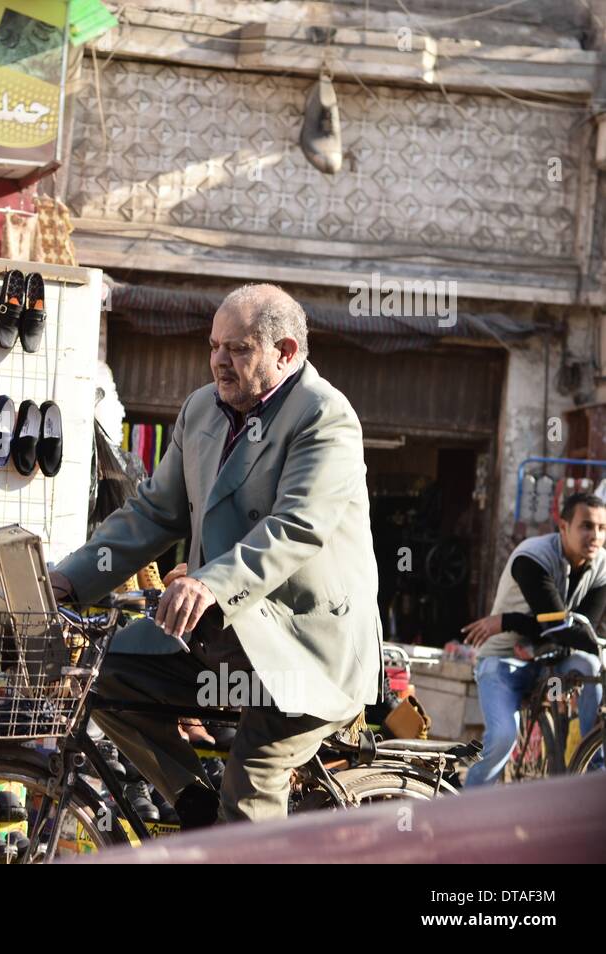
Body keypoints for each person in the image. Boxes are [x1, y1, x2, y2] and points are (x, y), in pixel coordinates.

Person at [50, 283, 382, 824]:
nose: (219, 362)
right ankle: (194, 804)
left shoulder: (324, 416)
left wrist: (209, 583)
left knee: (252, 781)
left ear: (286, 353)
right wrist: (70, 579)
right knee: (103, 677)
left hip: (304, 647)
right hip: (224, 640)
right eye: (213, 346)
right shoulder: (202, 409)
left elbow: (296, 525)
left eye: (239, 349)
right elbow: (155, 513)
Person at [461, 493, 606, 785]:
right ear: (563, 526)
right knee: (503, 737)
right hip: (503, 658)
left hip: (553, 656)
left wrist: (509, 622)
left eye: (603, 528)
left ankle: (595, 766)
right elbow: (558, 627)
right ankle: (465, 807)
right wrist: (548, 631)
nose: (595, 536)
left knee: (590, 664)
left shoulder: (602, 566)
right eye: (586, 526)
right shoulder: (532, 557)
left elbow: (582, 631)